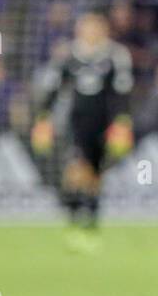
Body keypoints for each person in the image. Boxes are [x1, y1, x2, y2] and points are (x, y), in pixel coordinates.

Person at [32, 12, 134, 246]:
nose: (90, 31)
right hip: (76, 122)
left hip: (105, 124)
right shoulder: (68, 55)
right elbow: (54, 87)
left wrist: (122, 121)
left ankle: (90, 221)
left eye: (95, 26)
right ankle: (73, 217)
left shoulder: (116, 55)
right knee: (76, 168)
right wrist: (43, 117)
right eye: (85, 26)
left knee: (96, 174)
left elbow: (122, 92)